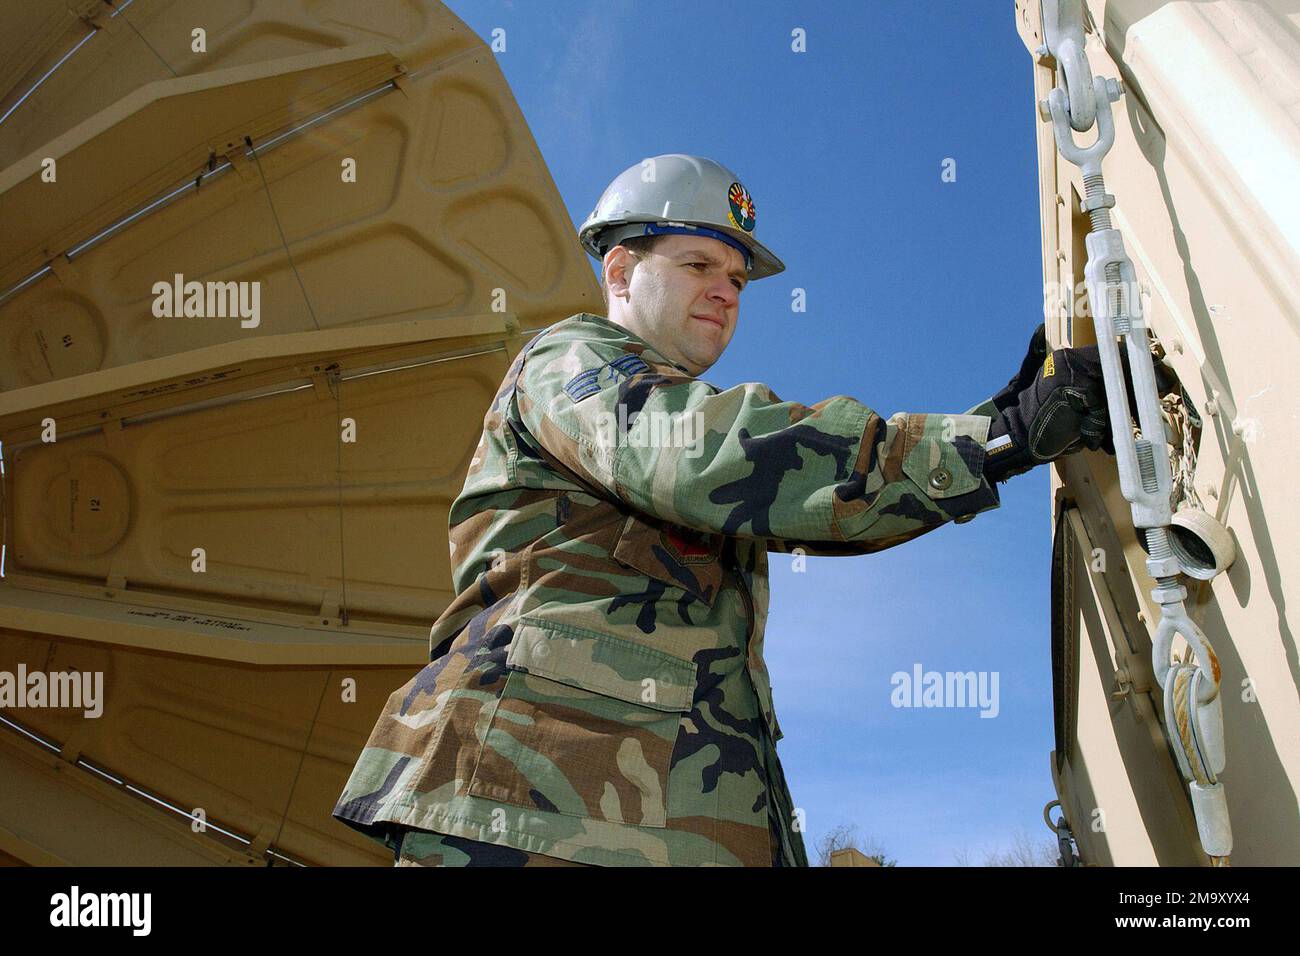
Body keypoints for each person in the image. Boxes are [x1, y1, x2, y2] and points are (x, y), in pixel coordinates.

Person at [332, 154, 1114, 867]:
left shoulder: (682, 441)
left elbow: (811, 504)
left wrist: (1001, 427)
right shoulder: (568, 359)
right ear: (619, 273)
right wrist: (994, 440)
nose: (725, 292)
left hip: (662, 827)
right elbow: (708, 454)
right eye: (698, 263)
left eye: (737, 279)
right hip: (530, 815)